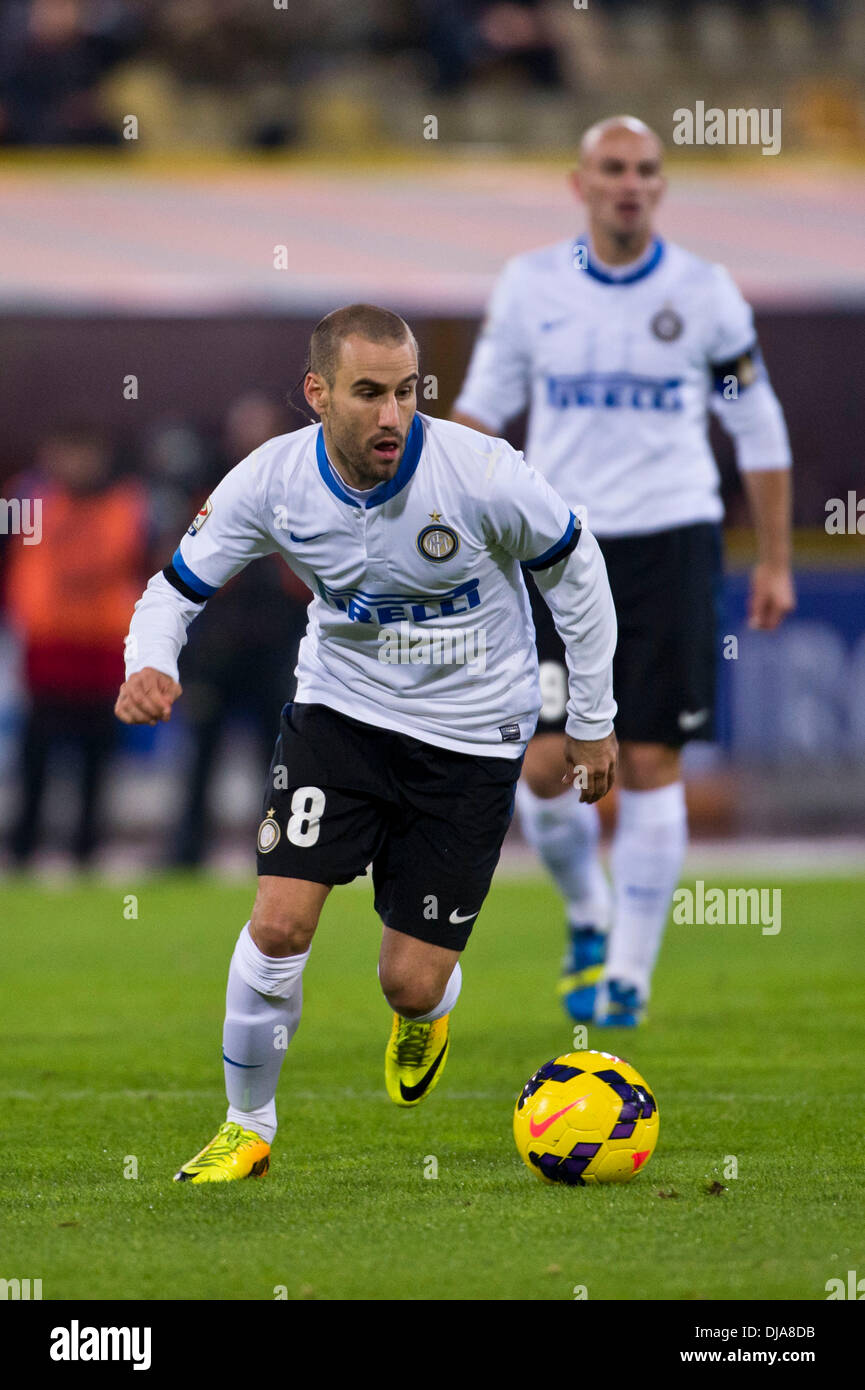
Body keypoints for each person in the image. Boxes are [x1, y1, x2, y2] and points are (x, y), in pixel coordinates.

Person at [115, 303, 618, 1183]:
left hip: (471, 735)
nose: (392, 416)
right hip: (340, 716)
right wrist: (151, 662)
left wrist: (590, 716)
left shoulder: (481, 474)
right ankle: (248, 1126)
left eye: (406, 392)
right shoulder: (271, 481)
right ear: (316, 394)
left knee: (408, 982)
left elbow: (576, 569)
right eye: (367, 394)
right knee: (277, 925)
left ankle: (426, 1013)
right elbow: (173, 589)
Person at [452, 116, 795, 1027]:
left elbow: (756, 426)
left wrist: (773, 558)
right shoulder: (530, 287)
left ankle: (628, 979)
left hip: (673, 542)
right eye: (612, 168)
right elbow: (479, 414)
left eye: (645, 169)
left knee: (649, 759)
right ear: (581, 183)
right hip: (558, 546)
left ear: (660, 186)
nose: (629, 183)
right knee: (540, 768)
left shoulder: (705, 293)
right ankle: (587, 917)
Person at [3, 424, 148, 868]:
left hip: (102, 649)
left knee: (95, 758)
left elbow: (148, 562)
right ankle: (23, 851)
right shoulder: (27, 500)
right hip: (47, 650)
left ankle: (86, 851)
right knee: (37, 757)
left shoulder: (129, 505)